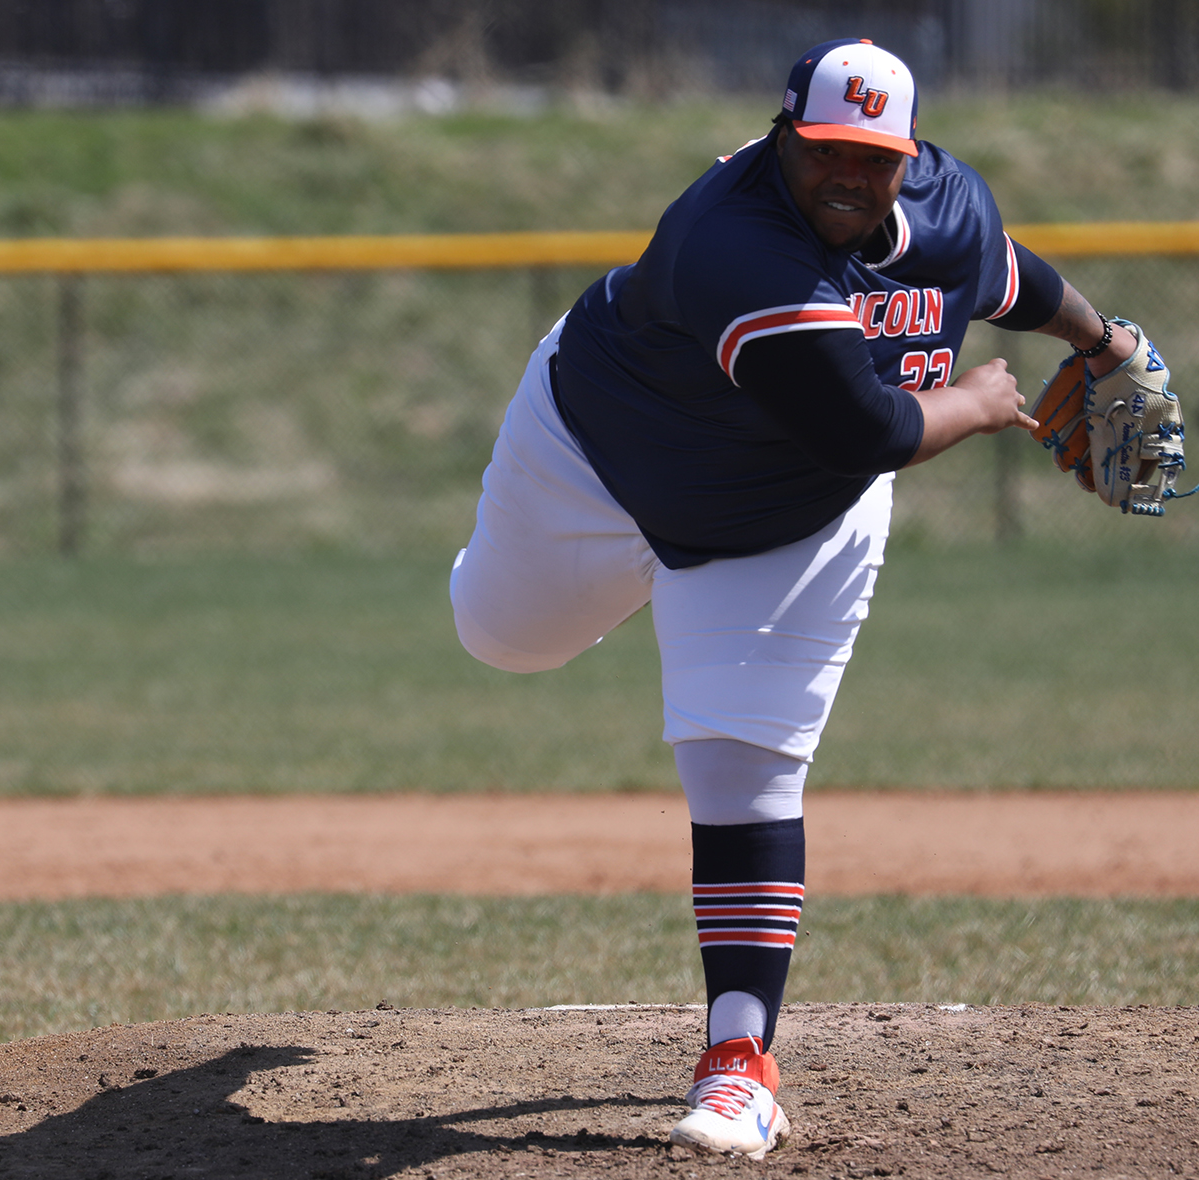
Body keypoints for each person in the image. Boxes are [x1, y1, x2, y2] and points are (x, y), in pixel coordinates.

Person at [448, 38, 1162, 1159]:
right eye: (825, 150)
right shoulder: (737, 244)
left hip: (787, 524)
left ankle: (740, 1061)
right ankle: (639, 585)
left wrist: (1102, 338)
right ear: (785, 136)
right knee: (498, 637)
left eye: (874, 158)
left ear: (910, 158)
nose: (848, 176)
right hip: (597, 456)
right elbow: (865, 427)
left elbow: (1003, 276)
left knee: (744, 767)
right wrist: (980, 402)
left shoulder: (948, 205)